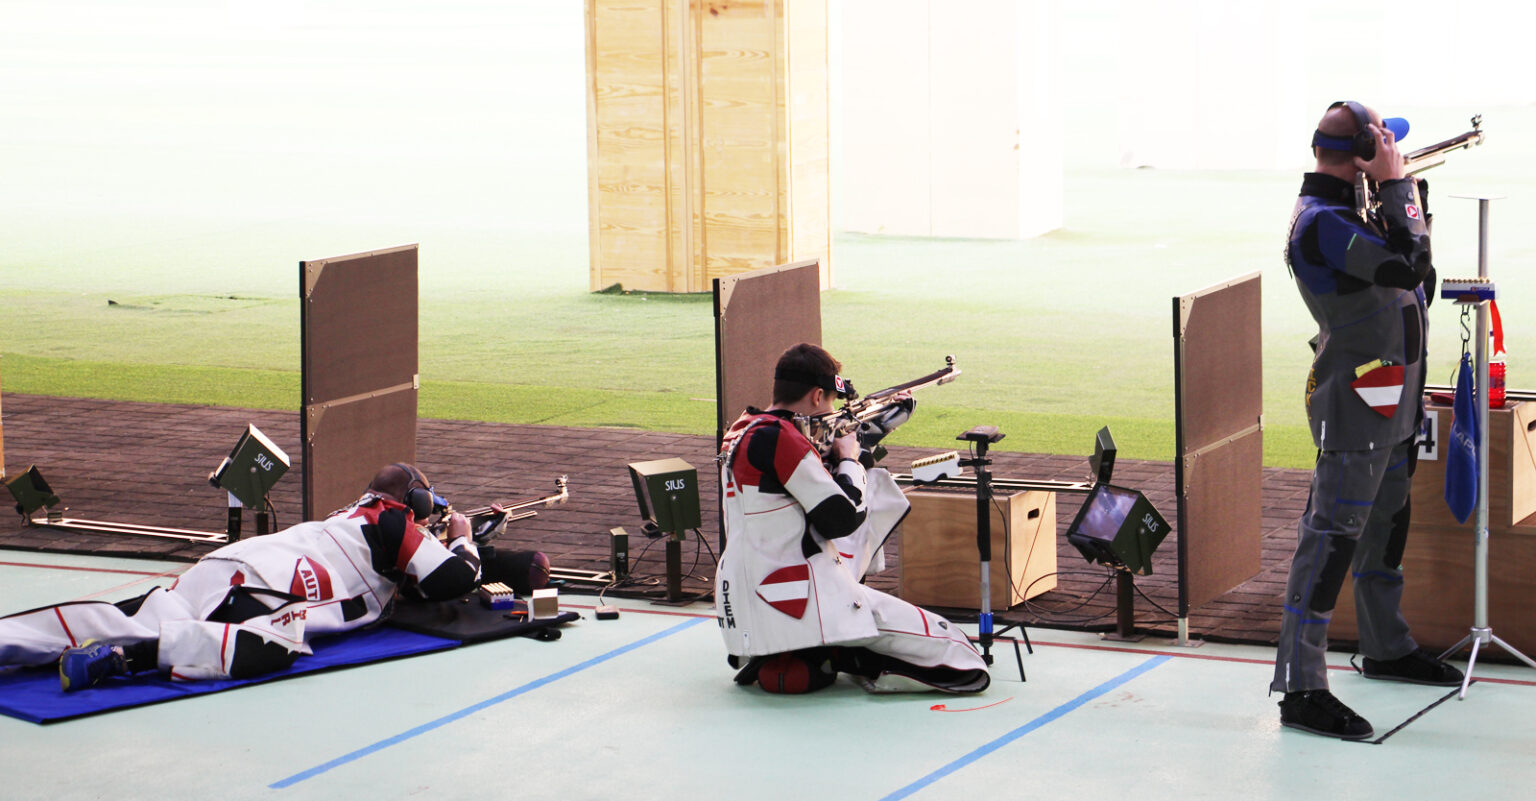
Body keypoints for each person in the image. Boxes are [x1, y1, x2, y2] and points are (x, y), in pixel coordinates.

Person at [1273, 101, 1463, 739]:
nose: (1394, 154)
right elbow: (1407, 266)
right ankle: (1300, 688)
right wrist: (1395, 187)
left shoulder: (1350, 213)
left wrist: (1394, 197)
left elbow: (1421, 281)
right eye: (1382, 145)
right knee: (1329, 542)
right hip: (1359, 404)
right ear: (1358, 154)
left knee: (1385, 532)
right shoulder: (1324, 223)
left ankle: (1386, 646)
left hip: (1394, 399)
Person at [0, 463, 483, 690]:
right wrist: (464, 538)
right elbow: (453, 580)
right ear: (413, 505)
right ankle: (125, 659)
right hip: (264, 591)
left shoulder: (346, 517)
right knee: (270, 649)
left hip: (223, 567)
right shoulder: (392, 522)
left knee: (127, 612)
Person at [714, 343, 989, 694]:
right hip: (795, 597)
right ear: (816, 397)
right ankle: (842, 646)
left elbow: (796, 488)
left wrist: (858, 446)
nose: (830, 411)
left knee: (866, 494)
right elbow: (843, 520)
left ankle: (807, 648)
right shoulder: (784, 440)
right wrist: (850, 459)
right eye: (829, 402)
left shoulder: (744, 428)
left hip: (745, 599)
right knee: (962, 657)